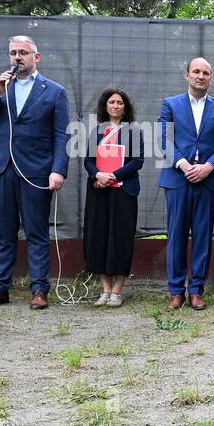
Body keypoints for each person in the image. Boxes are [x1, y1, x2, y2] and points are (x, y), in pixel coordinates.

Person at [0, 35, 71, 311]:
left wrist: (58, 170)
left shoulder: (54, 91)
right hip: (1, 168)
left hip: (36, 171)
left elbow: (62, 135)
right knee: (2, 231)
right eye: (13, 52)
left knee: (36, 232)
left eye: (23, 53)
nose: (18, 57)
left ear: (35, 57)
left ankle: (39, 289)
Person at [158, 57, 214, 310]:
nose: (201, 76)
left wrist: (208, 167)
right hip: (178, 179)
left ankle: (197, 290)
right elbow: (163, 139)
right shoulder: (170, 104)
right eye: (196, 72)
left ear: (211, 78)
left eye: (206, 73)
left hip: (208, 181)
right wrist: (183, 164)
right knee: (176, 235)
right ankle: (176, 291)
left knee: (203, 236)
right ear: (187, 75)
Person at [83, 88, 144, 307]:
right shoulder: (96, 131)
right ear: (105, 106)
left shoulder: (134, 131)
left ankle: (117, 291)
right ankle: (105, 290)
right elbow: (88, 161)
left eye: (120, 103)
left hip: (124, 191)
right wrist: (97, 174)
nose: (116, 106)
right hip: (99, 190)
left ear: (125, 107)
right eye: (112, 102)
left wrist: (113, 176)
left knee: (120, 238)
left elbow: (137, 161)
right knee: (98, 237)